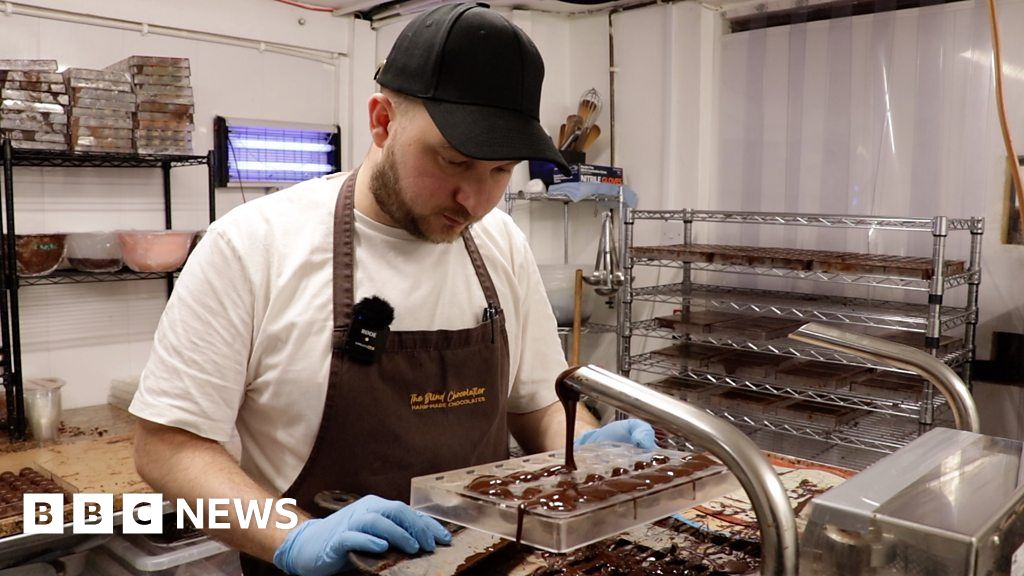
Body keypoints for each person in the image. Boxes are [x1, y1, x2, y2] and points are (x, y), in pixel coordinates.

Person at [129, 4, 656, 576]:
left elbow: (537, 408)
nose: (475, 200)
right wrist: (294, 536)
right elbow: (168, 447)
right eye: (454, 161)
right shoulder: (252, 246)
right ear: (382, 121)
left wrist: (589, 450)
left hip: (480, 563)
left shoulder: (500, 240)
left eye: (500, 171)